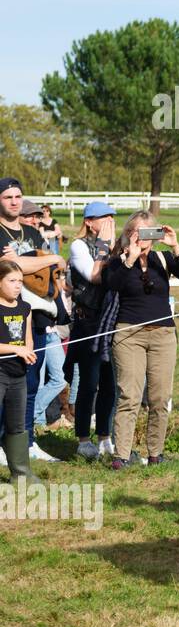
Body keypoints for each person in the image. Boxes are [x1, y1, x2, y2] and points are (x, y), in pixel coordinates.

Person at [103, 211, 179, 469]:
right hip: (129, 334)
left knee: (160, 397)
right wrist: (130, 257)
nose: (144, 238)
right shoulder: (119, 261)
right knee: (129, 396)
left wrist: (175, 245)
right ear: (129, 234)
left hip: (163, 335)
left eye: (148, 232)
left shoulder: (162, 259)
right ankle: (121, 455)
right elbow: (112, 284)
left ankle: (156, 453)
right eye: (138, 232)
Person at [0, 179, 65, 463]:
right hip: (5, 316)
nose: (14, 201)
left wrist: (35, 260)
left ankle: (27, 442)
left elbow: (57, 265)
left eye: (18, 196)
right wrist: (43, 260)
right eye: (7, 197)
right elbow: (14, 268)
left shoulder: (32, 232)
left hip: (35, 314)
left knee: (31, 383)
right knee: (5, 385)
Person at [67, 201, 119, 458]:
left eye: (112, 217)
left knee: (110, 382)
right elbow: (94, 276)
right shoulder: (79, 246)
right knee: (89, 382)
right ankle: (83, 438)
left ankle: (105, 436)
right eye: (104, 218)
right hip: (88, 320)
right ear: (89, 221)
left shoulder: (114, 245)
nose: (110, 222)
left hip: (111, 320)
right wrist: (104, 246)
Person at [0, 259, 39, 482]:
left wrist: (29, 351)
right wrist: (18, 350)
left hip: (18, 374)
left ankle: (21, 474)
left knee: (17, 424)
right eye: (12, 281)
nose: (17, 285)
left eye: (20, 282)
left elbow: (28, 340)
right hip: (0, 371)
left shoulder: (25, 308)